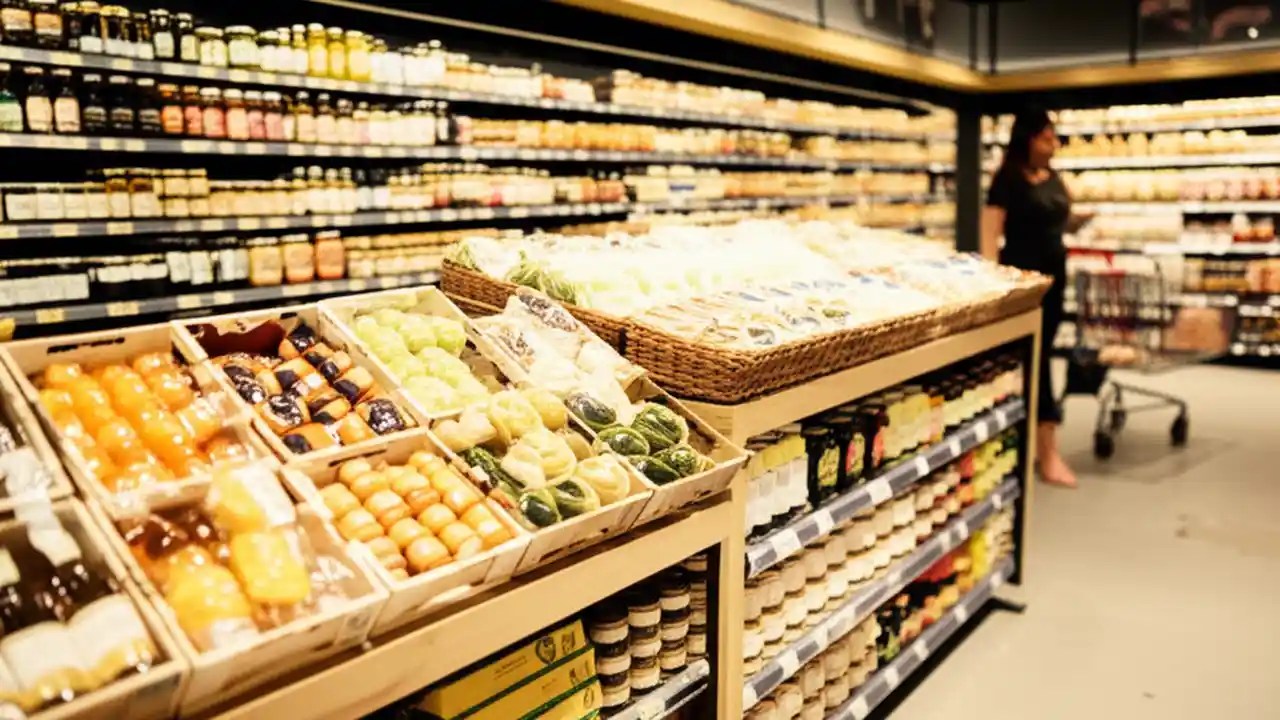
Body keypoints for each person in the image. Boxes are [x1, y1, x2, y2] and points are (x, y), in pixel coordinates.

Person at [982, 108, 1090, 488]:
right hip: (1023, 284)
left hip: (1055, 280)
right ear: (1027, 138)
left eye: (1054, 137)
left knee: (1040, 360)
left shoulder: (1055, 177)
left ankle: (1028, 444)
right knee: (1038, 362)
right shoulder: (1007, 179)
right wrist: (994, 285)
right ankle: (1048, 452)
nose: (1053, 144)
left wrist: (1081, 221)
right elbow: (989, 237)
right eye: (1046, 137)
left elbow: (1059, 218)